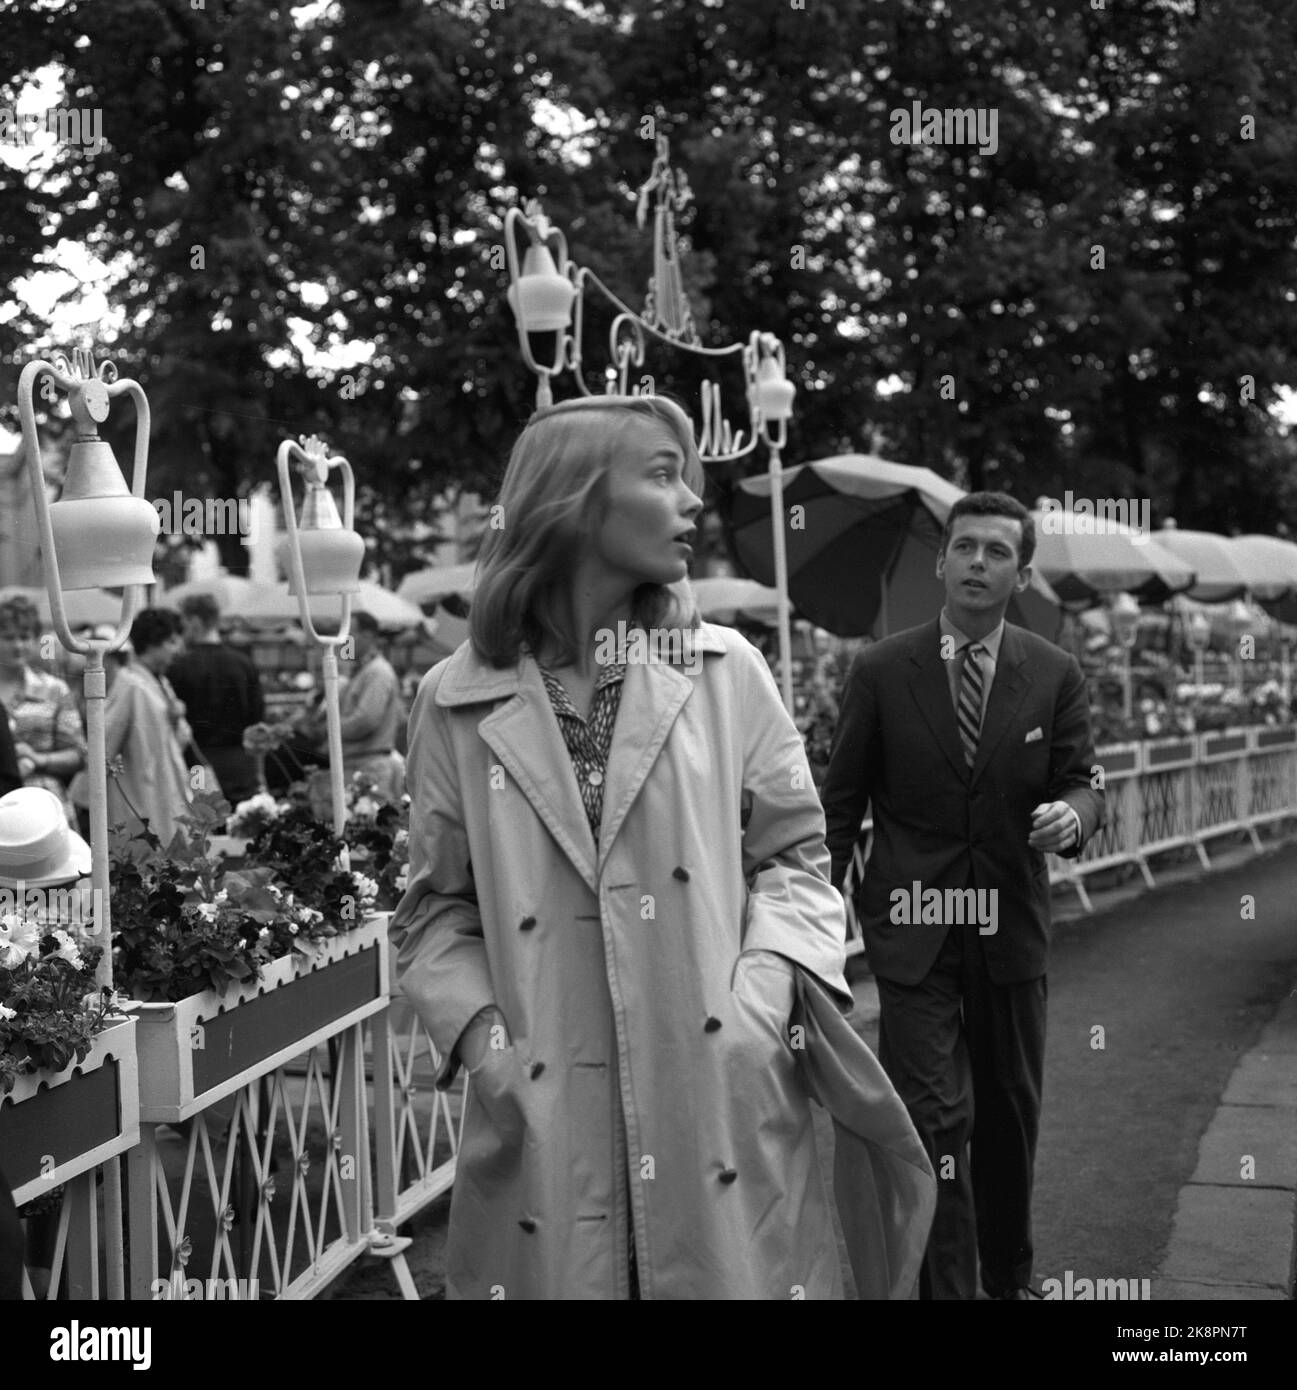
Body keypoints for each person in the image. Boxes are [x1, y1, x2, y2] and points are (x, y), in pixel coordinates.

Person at [390, 394, 932, 1300]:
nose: (690, 503)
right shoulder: (455, 696)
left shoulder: (727, 669)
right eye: (662, 474)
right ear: (573, 498)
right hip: (547, 1117)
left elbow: (797, 860)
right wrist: (490, 1048)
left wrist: (757, 1010)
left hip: (715, 1097)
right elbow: (435, 911)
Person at [820, 491, 1106, 1301]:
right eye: (965, 547)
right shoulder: (880, 669)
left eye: (997, 552)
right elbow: (838, 808)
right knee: (931, 1123)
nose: (978, 563)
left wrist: (1070, 818)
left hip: (1009, 934)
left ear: (1020, 574)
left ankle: (1007, 1279)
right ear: (941, 562)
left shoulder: (1053, 674)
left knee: (1006, 1123)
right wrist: (806, 934)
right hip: (912, 938)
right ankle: (946, 1290)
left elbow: (1082, 785)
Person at [101, 609, 194, 846]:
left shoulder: (160, 682)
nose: (178, 649)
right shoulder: (130, 684)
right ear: (153, 642)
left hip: (164, 795)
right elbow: (104, 747)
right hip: (140, 801)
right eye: (171, 641)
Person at [168, 594, 266, 806]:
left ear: (194, 622)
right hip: (241, 763)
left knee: (201, 821)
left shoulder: (179, 667)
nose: (182, 631)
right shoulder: (244, 663)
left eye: (184, 624)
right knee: (244, 825)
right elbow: (257, 717)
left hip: (197, 763)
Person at [302, 610, 404, 804]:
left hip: (369, 766)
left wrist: (328, 729)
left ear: (368, 636)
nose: (344, 640)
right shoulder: (361, 669)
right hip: (357, 764)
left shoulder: (377, 672)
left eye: (349, 633)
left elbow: (366, 720)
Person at [0, 595, 86, 822]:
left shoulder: (54, 689)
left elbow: (79, 754)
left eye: (24, 637)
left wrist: (39, 759)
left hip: (45, 806)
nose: (18, 645)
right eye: (8, 638)